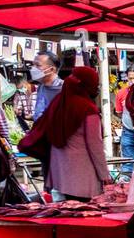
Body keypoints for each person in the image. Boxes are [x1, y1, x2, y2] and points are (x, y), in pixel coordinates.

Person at [46, 66, 115, 201]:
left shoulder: (58, 103)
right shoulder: (87, 108)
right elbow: (95, 146)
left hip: (59, 176)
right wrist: (104, 175)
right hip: (82, 179)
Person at [30, 51, 64, 118]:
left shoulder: (64, 88)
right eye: (33, 65)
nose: (33, 68)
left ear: (51, 69)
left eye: (38, 65)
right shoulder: (41, 87)